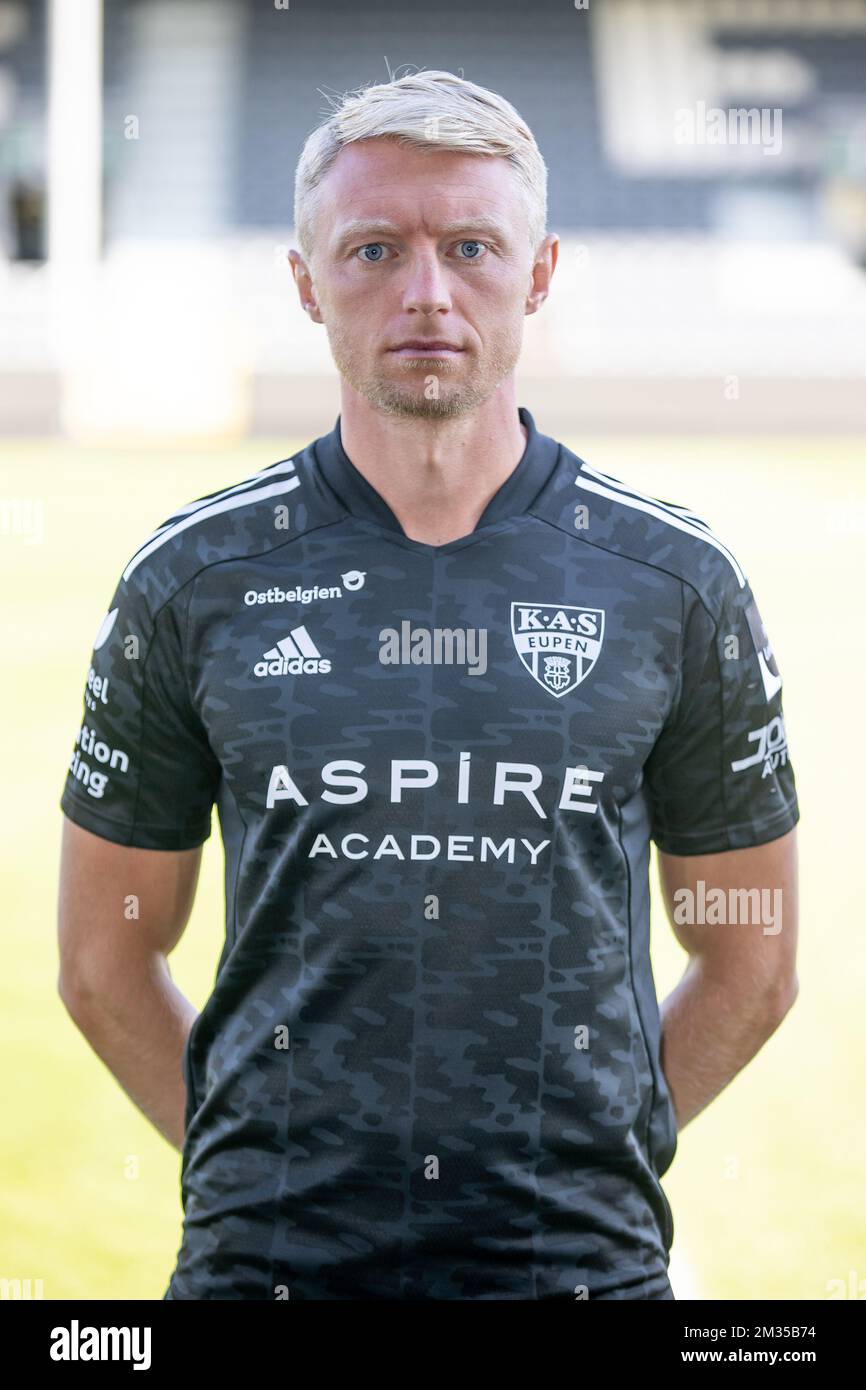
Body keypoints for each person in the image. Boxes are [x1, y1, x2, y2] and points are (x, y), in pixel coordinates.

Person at [57, 69, 800, 1301]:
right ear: (305, 282)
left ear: (538, 272)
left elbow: (751, 959)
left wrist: (596, 1166)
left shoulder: (675, 581)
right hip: (263, 1272)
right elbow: (101, 959)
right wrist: (255, 1174)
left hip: (577, 1273)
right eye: (373, 250)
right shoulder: (191, 580)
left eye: (469, 247)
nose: (426, 293)